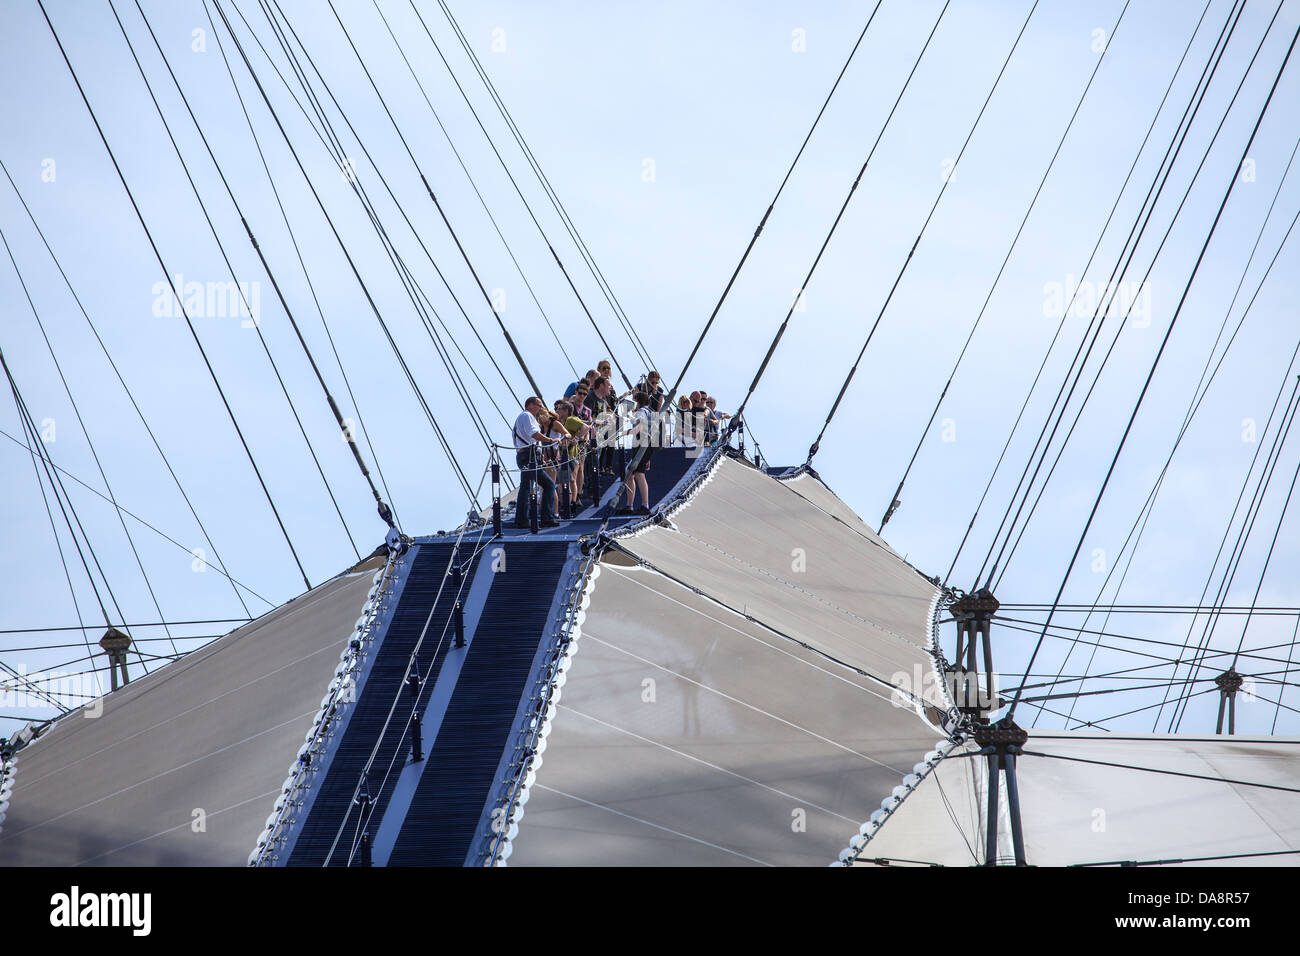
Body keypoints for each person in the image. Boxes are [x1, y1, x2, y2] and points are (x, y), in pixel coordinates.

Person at [512, 397, 559, 528]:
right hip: (529, 456)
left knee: (526, 487)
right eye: (539, 405)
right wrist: (550, 440)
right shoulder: (527, 416)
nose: (540, 408)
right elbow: (533, 434)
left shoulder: (524, 417)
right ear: (531, 405)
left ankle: (522, 519)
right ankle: (545, 518)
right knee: (548, 485)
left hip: (529, 456)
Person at [616, 391, 654, 515]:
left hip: (641, 444)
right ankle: (630, 504)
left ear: (638, 401)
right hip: (646, 445)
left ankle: (645, 505)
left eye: (634, 400)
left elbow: (639, 428)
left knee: (638, 474)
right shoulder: (649, 411)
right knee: (630, 473)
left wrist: (624, 433)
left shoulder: (641, 412)